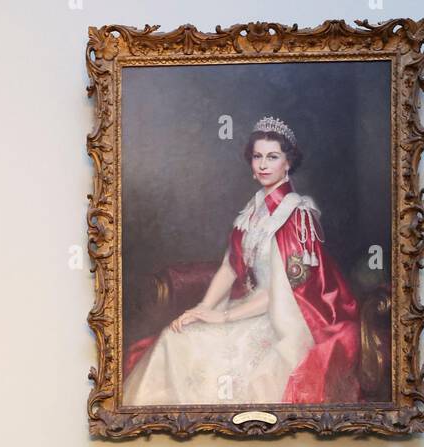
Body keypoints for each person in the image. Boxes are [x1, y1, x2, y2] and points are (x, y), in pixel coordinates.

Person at [123, 115, 362, 406]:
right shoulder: (254, 209)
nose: (263, 165)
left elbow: (280, 293)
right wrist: (202, 308)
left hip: (283, 318)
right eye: (257, 157)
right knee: (176, 336)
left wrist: (222, 317)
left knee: (209, 356)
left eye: (272, 157)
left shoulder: (294, 215)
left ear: (288, 163)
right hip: (249, 307)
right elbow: (229, 267)